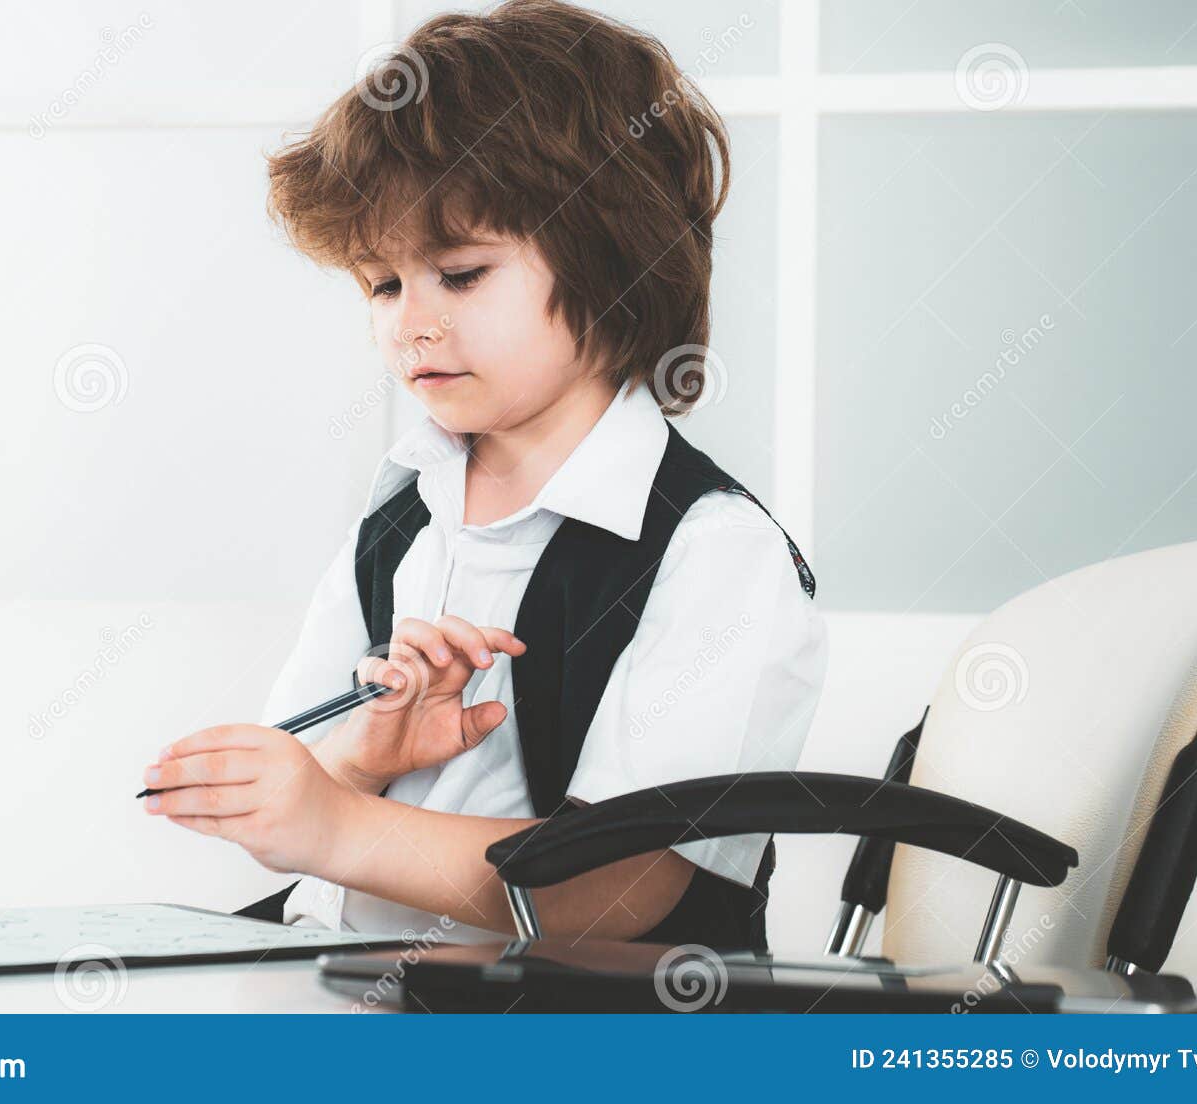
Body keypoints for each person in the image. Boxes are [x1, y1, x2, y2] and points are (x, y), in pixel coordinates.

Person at [140, 0, 827, 950]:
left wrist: (336, 821)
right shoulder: (402, 518)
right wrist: (355, 765)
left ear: (614, 261)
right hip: (340, 980)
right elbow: (297, 824)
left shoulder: (719, 555)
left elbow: (619, 892)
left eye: (459, 274)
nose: (410, 322)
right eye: (383, 284)